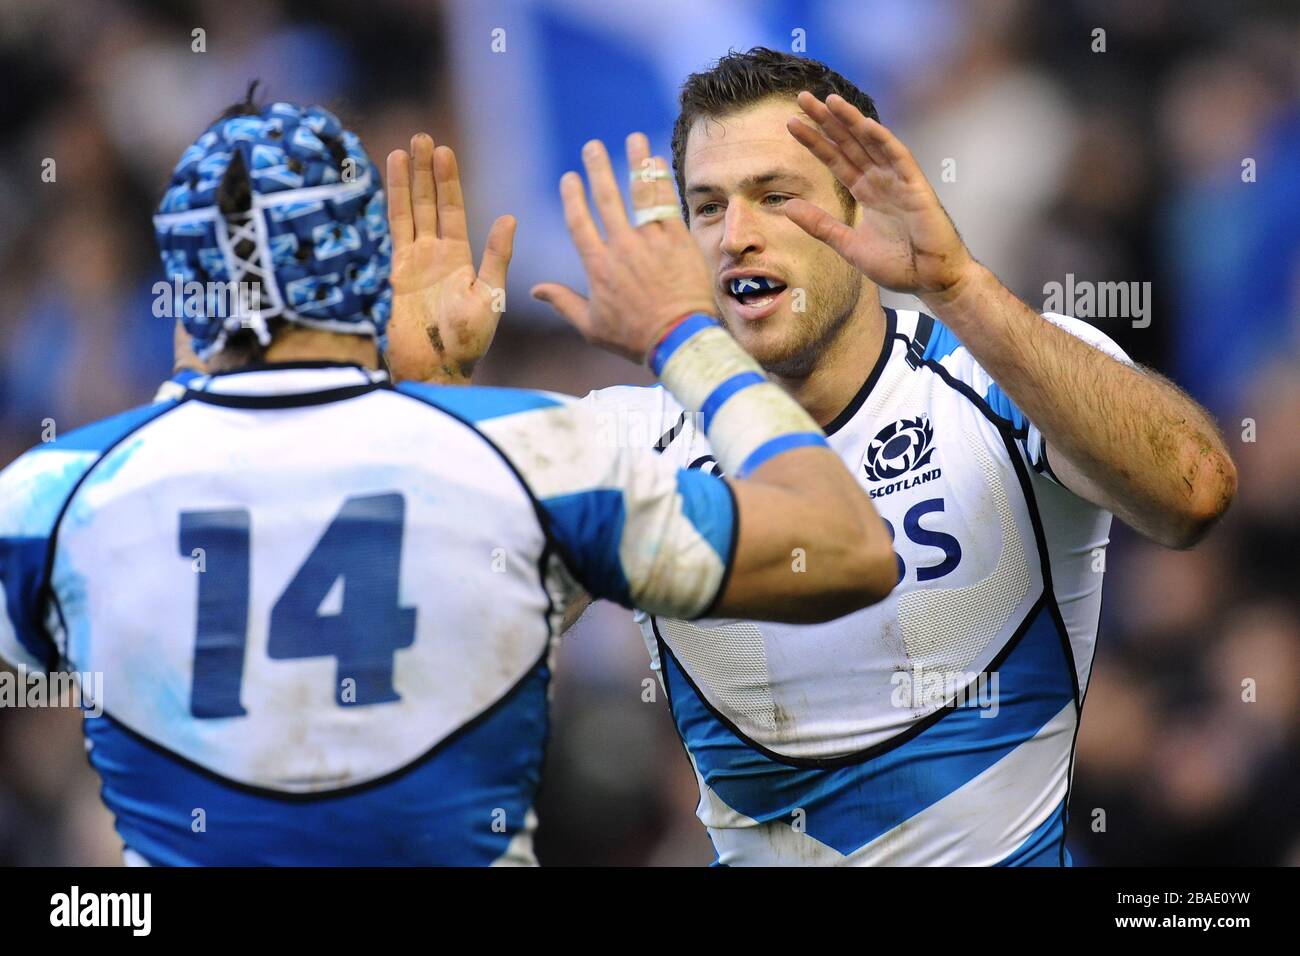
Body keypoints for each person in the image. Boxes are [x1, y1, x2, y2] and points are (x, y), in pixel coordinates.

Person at [387, 48, 1237, 865]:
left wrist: (959, 287)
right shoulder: (630, 439)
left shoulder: (1006, 376)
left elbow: (1194, 491)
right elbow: (442, 648)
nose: (735, 236)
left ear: (860, 209)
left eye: (774, 195)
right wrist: (432, 396)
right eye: (709, 206)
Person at [0, 95, 896, 866]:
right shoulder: (531, 456)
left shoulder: (50, 498)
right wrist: (683, 337)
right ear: (367, 271)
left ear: (181, 284)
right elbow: (847, 547)